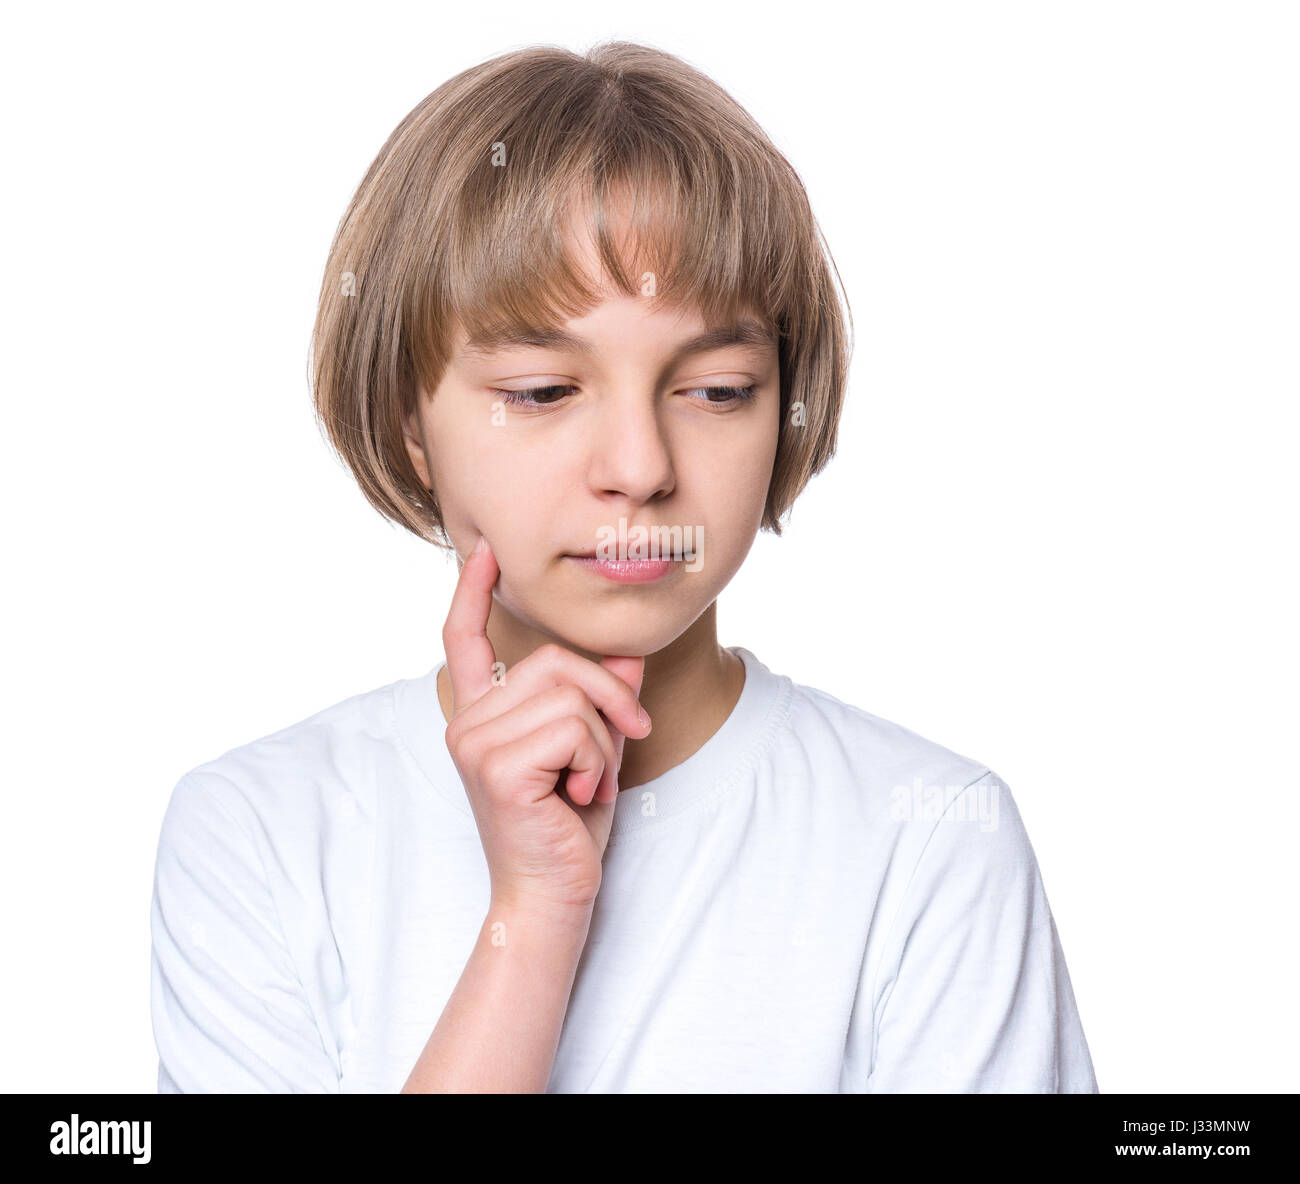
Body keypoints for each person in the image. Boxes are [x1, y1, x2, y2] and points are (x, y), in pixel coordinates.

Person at [149, 40, 1098, 1093]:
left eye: (719, 389)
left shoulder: (930, 838)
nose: (641, 469)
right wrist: (533, 914)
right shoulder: (260, 832)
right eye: (544, 390)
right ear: (409, 425)